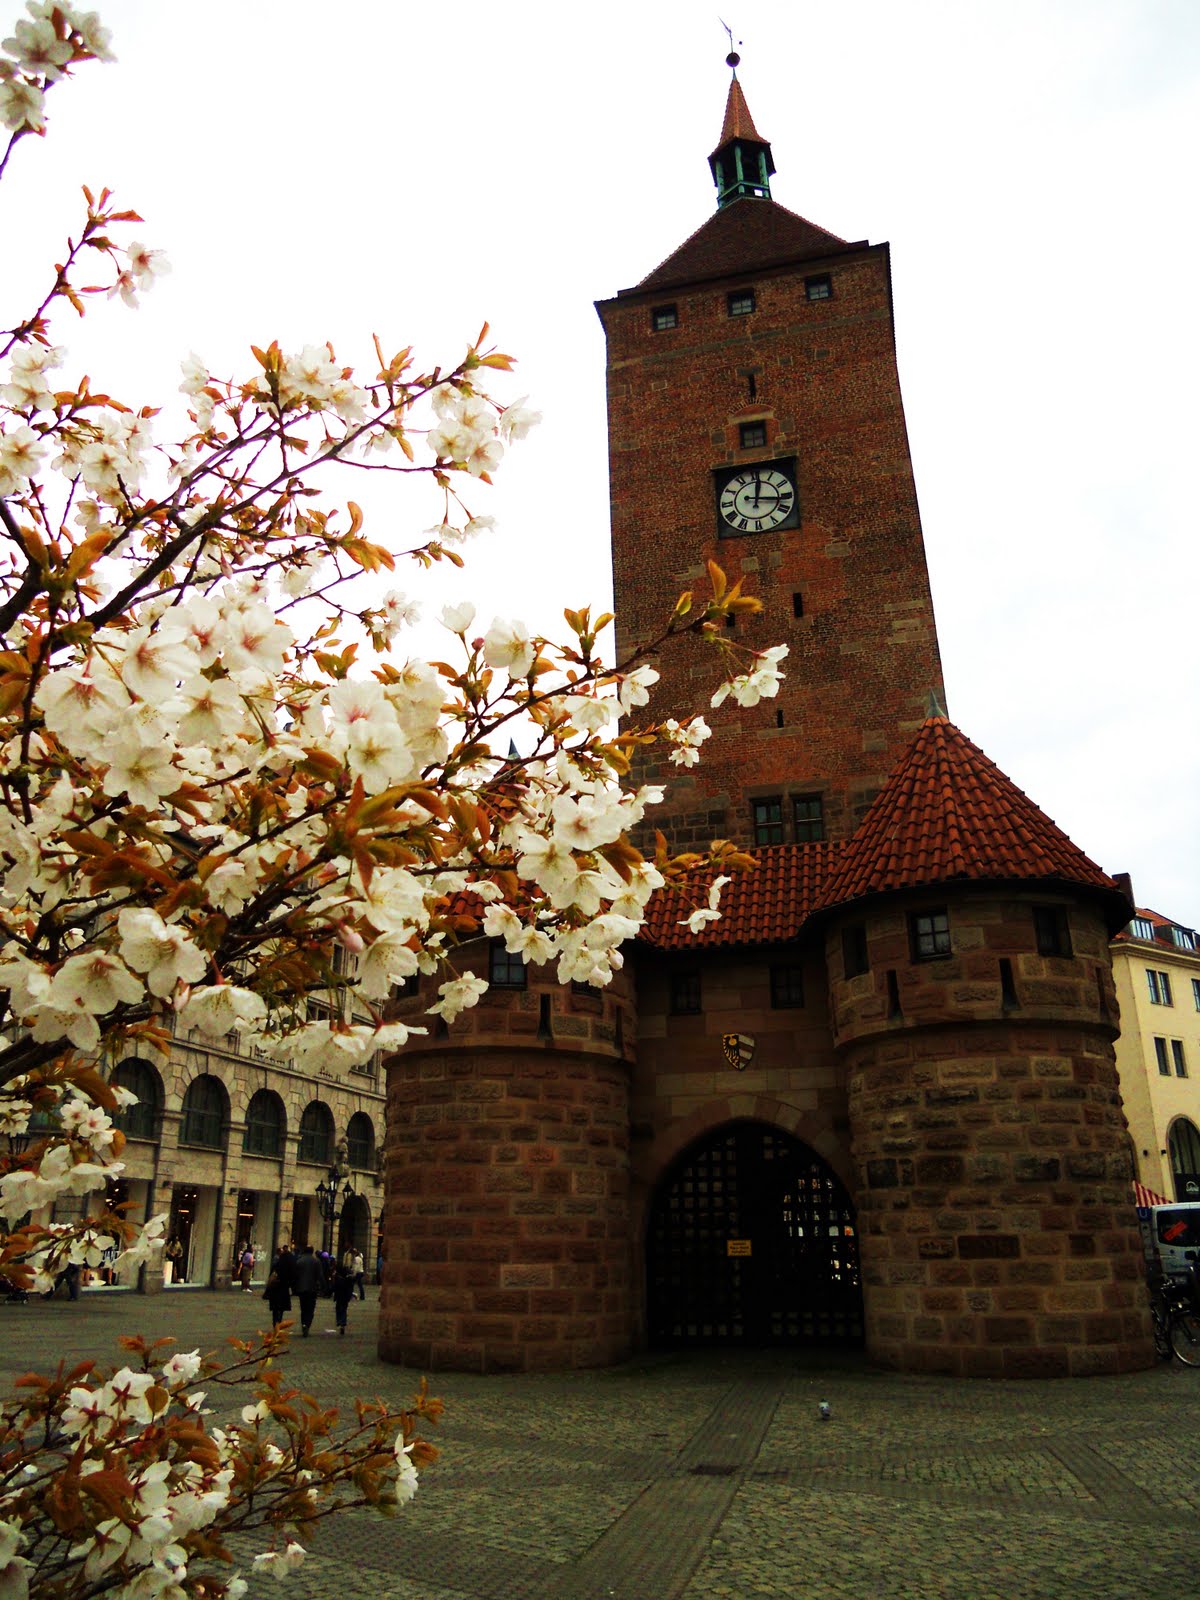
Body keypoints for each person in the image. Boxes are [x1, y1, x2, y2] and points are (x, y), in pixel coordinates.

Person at [262, 1241, 295, 1329]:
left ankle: (275, 1323)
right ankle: (278, 1323)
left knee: (275, 1309)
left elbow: (271, 1277)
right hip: (283, 1290)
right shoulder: (288, 1268)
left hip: (275, 1290)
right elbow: (292, 1278)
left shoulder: (277, 1265)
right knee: (281, 1309)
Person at [292, 1243, 322, 1336]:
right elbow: (320, 1275)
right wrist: (324, 1287)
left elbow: (295, 1275)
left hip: (301, 1288)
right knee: (310, 1308)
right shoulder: (316, 1261)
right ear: (312, 1251)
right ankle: (307, 1324)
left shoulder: (299, 1261)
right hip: (312, 1288)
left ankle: (304, 1323)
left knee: (303, 1308)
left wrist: (294, 1287)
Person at [332, 1260, 356, 1336]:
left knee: (338, 1309)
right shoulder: (349, 1279)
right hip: (345, 1297)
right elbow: (351, 1288)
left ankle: (339, 1321)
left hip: (339, 1297)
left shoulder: (338, 1279)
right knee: (344, 1309)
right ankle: (343, 1323)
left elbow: (334, 1287)